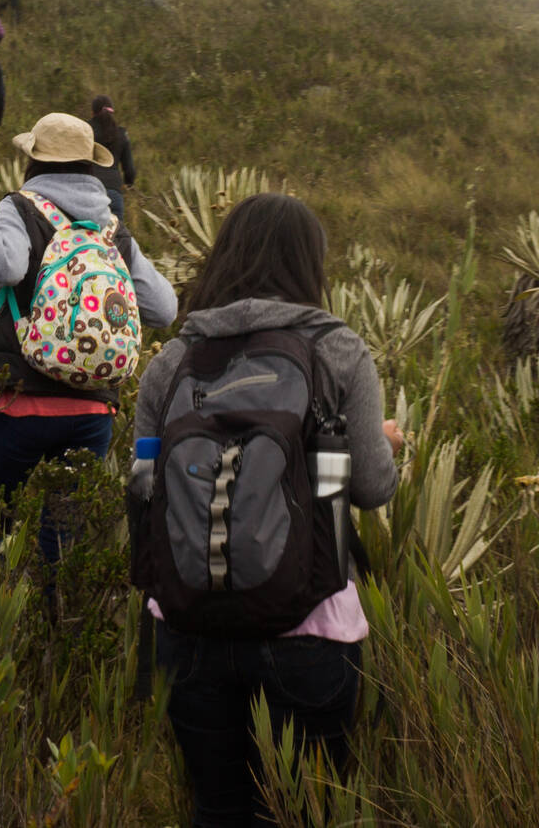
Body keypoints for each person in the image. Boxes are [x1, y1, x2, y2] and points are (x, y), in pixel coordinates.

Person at [135, 193, 403, 828]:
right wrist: (383, 446)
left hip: (187, 628)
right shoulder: (339, 351)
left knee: (216, 809)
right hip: (309, 629)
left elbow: (144, 488)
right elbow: (371, 487)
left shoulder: (172, 362)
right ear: (310, 265)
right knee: (300, 812)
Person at [0, 113, 177, 548]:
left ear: (34, 161)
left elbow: (7, 263)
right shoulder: (113, 229)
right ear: (90, 167)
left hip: (23, 400)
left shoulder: (20, 207)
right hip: (91, 411)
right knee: (62, 533)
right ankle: (57, 611)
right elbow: (164, 308)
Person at [88, 95, 138, 222]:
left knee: (87, 237)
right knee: (116, 238)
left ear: (93, 112)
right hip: (114, 192)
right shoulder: (121, 134)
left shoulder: (85, 131)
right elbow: (130, 170)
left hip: (89, 190)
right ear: (112, 111)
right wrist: (129, 183)